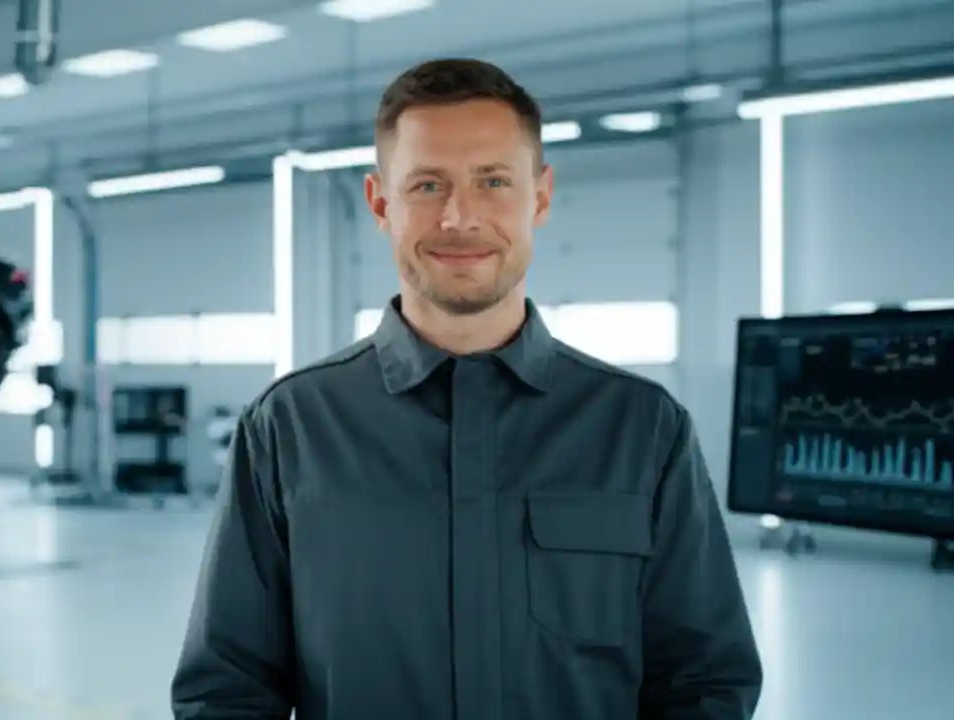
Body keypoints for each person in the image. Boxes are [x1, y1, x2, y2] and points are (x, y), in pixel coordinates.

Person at [171, 58, 762, 720]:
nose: (459, 217)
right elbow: (225, 690)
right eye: (427, 185)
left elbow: (705, 682)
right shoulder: (290, 428)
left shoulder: (644, 429)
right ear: (379, 203)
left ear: (539, 197)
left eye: (493, 182)